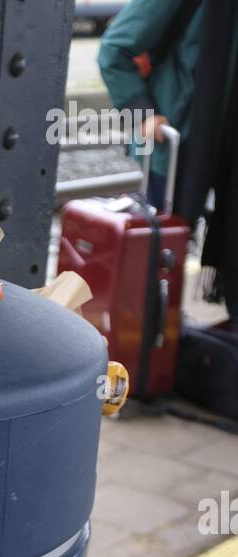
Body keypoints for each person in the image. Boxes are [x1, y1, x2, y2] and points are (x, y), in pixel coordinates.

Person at [98, 0, 238, 328]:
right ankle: (150, 350)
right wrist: (142, 111)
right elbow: (114, 49)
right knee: (159, 266)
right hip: (177, 147)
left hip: (225, 150)